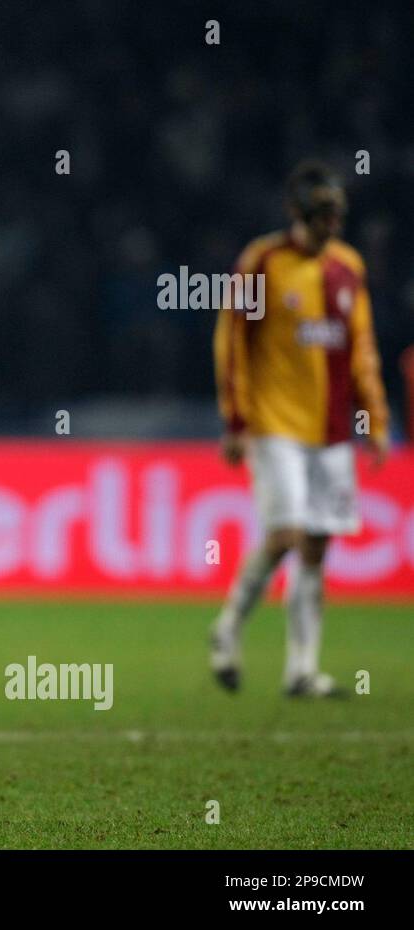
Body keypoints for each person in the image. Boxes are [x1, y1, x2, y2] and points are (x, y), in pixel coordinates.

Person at [211, 160, 391, 697]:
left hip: (332, 429)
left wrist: (374, 418)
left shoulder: (347, 267)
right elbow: (232, 342)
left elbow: (361, 347)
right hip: (274, 425)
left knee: (316, 547)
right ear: (296, 213)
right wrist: (236, 420)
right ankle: (227, 630)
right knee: (285, 535)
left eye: (336, 216)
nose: (329, 226)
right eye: (320, 216)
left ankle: (303, 670)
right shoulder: (263, 262)